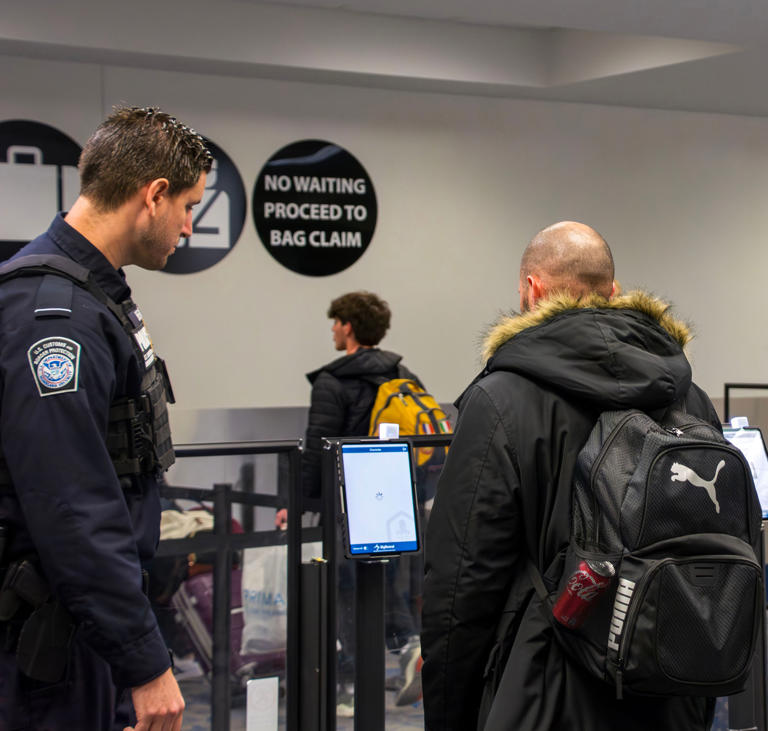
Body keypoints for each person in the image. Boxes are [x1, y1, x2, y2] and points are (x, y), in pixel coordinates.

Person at [421, 221, 718, 731]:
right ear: (614, 292)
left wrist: (449, 713)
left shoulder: (500, 400)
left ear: (531, 290)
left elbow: (462, 583)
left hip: (542, 688)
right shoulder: (688, 396)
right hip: (669, 683)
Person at [0, 107, 212, 731]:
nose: (189, 227)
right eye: (187, 206)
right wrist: (145, 663)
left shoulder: (92, 296)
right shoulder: (56, 317)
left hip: (81, 630)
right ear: (153, 196)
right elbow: (73, 507)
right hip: (47, 650)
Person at [276, 290, 424, 713]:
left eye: (336, 321)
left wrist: (300, 500)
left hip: (345, 503)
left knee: (343, 590)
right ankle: (408, 645)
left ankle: (352, 685)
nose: (333, 329)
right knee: (385, 579)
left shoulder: (332, 381)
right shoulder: (402, 373)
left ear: (350, 327)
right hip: (393, 500)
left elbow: (316, 445)